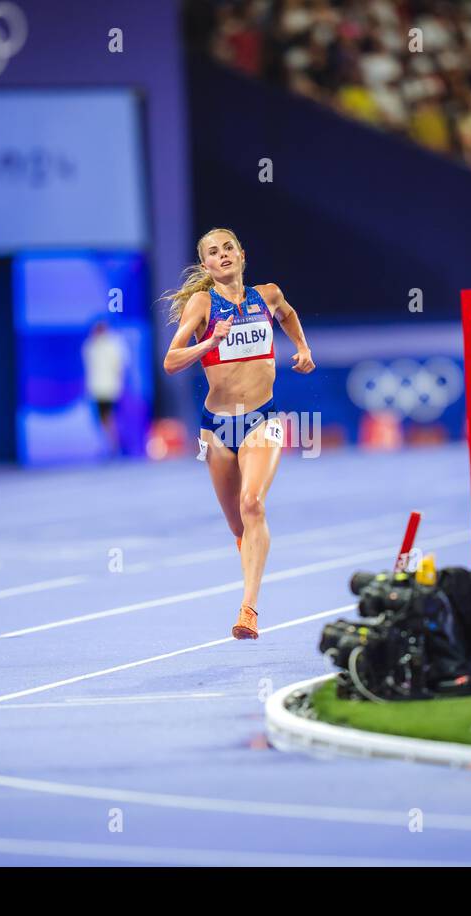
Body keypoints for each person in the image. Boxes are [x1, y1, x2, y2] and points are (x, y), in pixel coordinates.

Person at [162, 227, 314, 639]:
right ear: (207, 266)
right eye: (214, 252)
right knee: (238, 527)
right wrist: (209, 341)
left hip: (262, 419)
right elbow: (171, 360)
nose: (223, 255)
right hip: (216, 429)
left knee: (252, 504)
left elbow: (288, 315)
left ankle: (248, 609)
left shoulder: (267, 294)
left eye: (228, 247)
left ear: (242, 254)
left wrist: (302, 347)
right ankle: (250, 564)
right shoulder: (201, 303)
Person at [81, 320, 127, 456]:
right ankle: (112, 445)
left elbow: (119, 366)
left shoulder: (110, 344)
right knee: (105, 419)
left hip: (107, 387)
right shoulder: (92, 345)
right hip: (100, 388)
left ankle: (114, 446)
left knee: (107, 418)